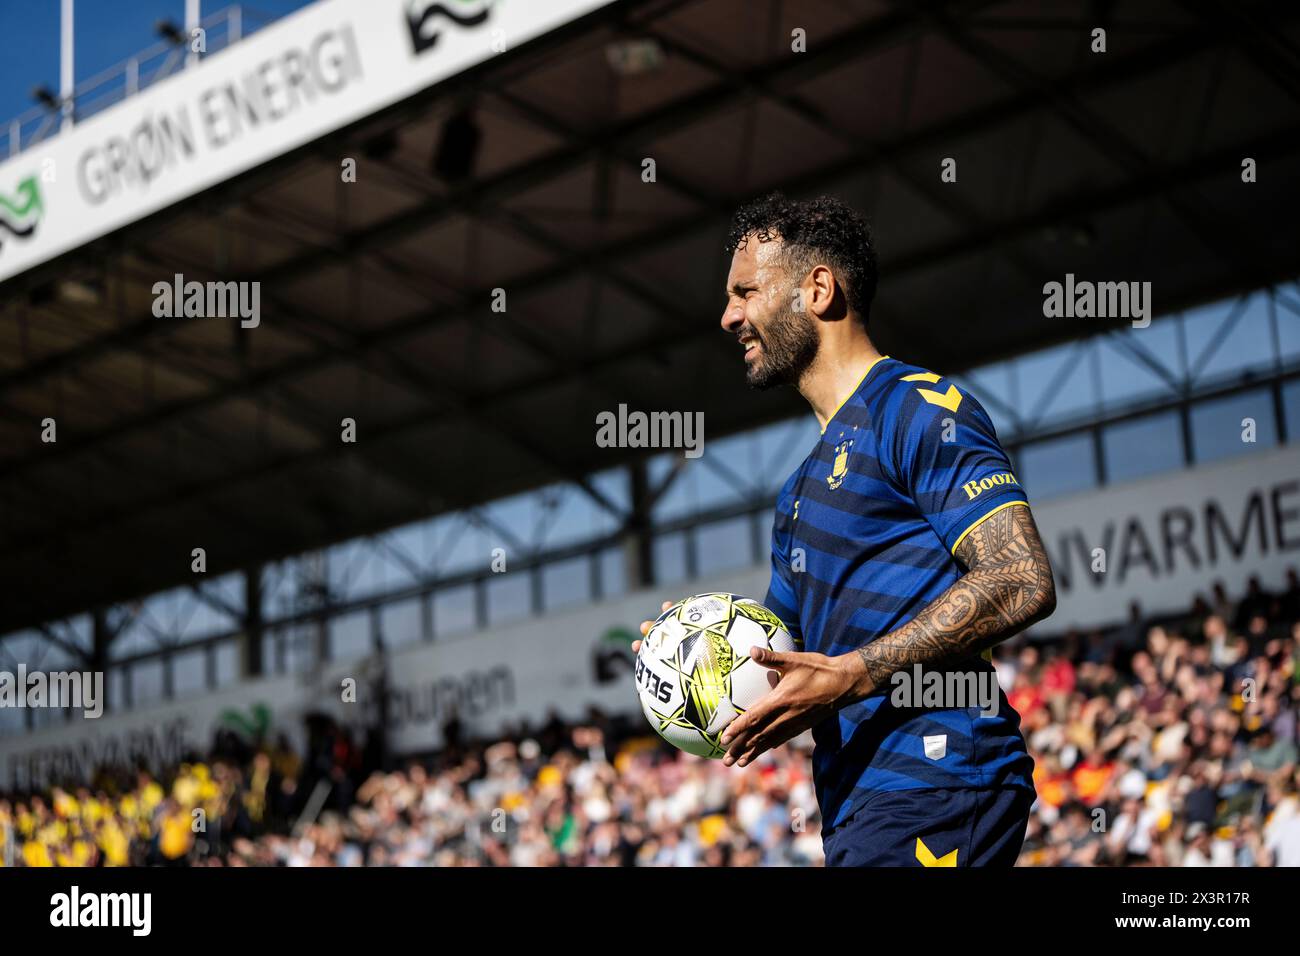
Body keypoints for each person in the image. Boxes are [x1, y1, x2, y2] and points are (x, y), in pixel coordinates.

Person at [637, 193, 1055, 866]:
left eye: (746, 291)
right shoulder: (797, 494)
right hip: (858, 805)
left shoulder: (918, 407)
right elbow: (787, 665)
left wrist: (855, 673)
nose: (728, 316)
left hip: (939, 775)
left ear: (818, 290)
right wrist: (689, 653)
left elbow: (1020, 578)